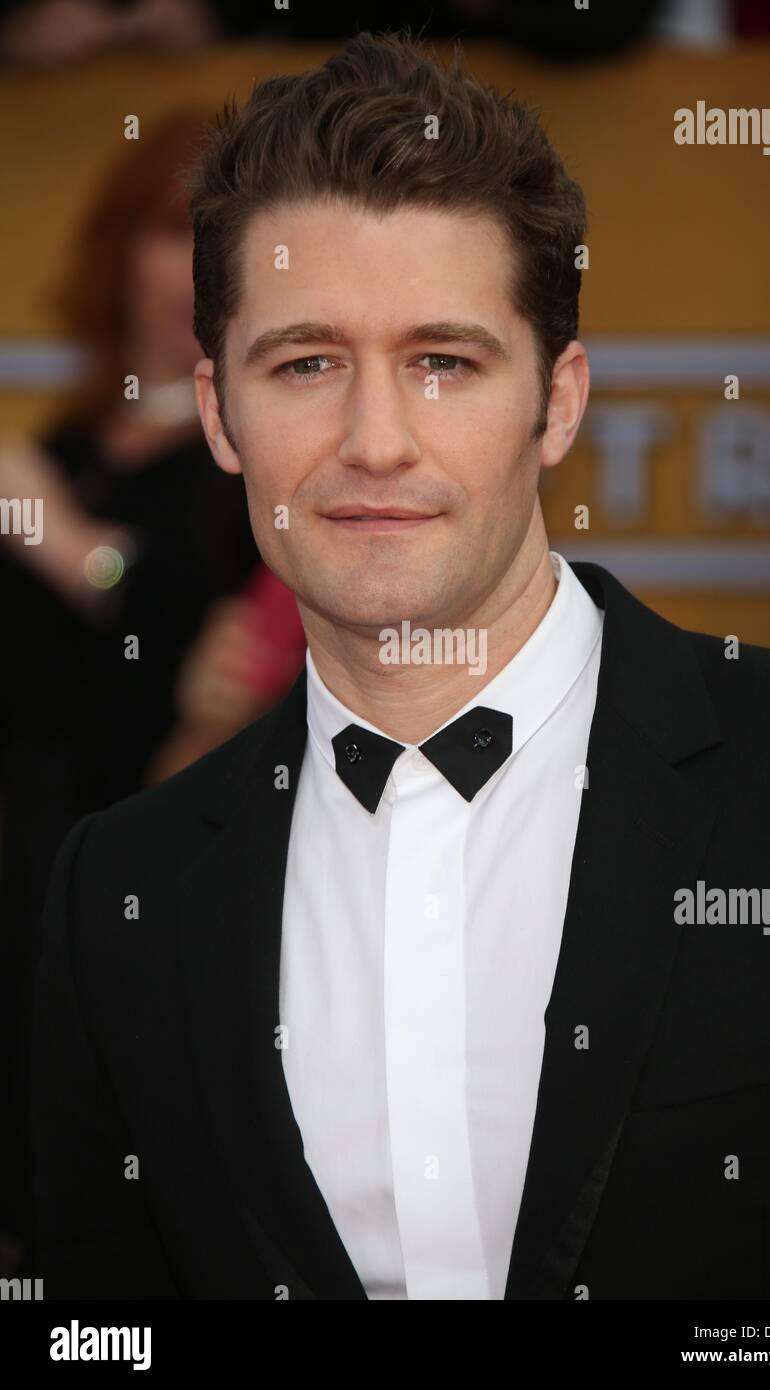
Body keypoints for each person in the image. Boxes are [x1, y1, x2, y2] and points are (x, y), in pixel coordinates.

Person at [29, 30, 770, 1301]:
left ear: (558, 401)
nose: (374, 441)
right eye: (306, 363)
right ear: (217, 414)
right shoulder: (120, 898)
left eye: (442, 362)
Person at [0, 108, 258, 1275]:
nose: (191, 269)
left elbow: (197, 641)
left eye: (223, 237)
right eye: (168, 232)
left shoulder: (257, 456)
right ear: (119, 251)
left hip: (156, 904)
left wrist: (67, 543)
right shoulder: (58, 443)